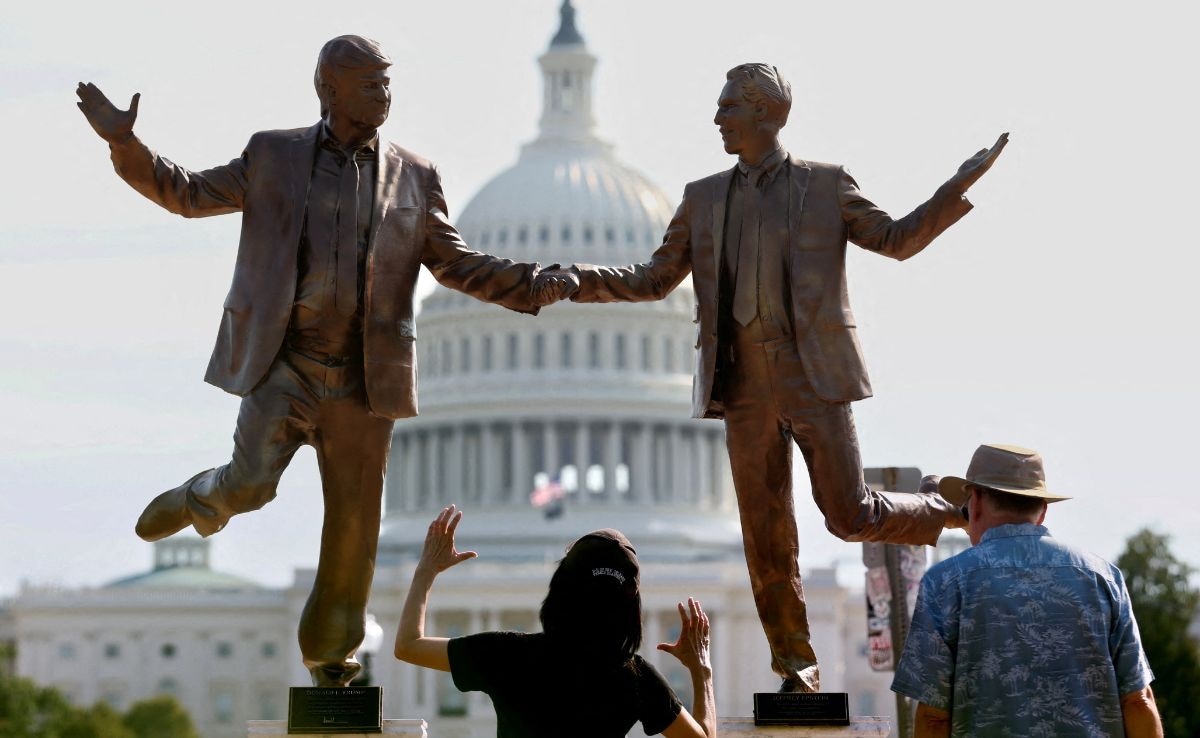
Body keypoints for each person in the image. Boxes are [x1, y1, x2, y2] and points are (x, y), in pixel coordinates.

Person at [75, 36, 547, 686]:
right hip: (285, 360)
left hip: (363, 377)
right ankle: (203, 496)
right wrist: (125, 145)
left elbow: (456, 262)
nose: (385, 95)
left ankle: (332, 651)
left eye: (389, 82)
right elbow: (186, 194)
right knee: (253, 485)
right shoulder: (275, 155)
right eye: (371, 84)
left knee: (354, 523)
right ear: (329, 90)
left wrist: (536, 284)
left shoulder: (414, 174)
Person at [531, 62, 1006, 692]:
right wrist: (577, 279)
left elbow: (895, 239)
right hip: (744, 384)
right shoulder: (702, 197)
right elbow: (651, 279)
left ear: (768, 113)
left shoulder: (826, 186)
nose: (717, 117)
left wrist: (956, 188)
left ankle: (944, 507)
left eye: (729, 106)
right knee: (766, 538)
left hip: (813, 374)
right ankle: (795, 665)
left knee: (849, 515)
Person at [891, 443, 1163, 737]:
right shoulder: (1103, 577)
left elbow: (934, 717)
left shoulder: (944, 583)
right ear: (1043, 510)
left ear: (976, 501)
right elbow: (1138, 700)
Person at [394, 505, 717, 738]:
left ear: (560, 588)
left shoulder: (507, 653)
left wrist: (426, 571)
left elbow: (408, 646)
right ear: (629, 606)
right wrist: (701, 672)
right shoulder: (634, 678)